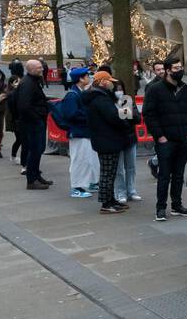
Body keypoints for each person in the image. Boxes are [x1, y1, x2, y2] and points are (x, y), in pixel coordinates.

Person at [143, 56, 187, 221]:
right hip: (166, 140)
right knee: (164, 175)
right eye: (175, 68)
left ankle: (177, 205)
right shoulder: (155, 89)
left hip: (183, 138)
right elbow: (149, 114)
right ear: (167, 70)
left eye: (180, 67)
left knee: (179, 175)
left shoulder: (184, 88)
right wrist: (160, 136)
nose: (179, 70)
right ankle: (161, 207)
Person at [81, 69, 130, 213]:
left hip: (105, 138)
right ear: (103, 82)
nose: (112, 85)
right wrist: (125, 117)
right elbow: (114, 117)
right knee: (108, 173)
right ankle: (106, 203)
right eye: (110, 81)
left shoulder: (98, 96)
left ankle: (110, 199)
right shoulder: (100, 98)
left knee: (109, 171)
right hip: (107, 139)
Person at [55, 68, 101, 197]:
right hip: (78, 132)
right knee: (80, 160)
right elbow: (71, 114)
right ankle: (77, 187)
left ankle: (91, 182)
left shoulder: (77, 93)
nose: (89, 78)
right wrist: (89, 116)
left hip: (83, 132)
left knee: (90, 159)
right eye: (87, 76)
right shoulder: (73, 95)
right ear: (81, 78)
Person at [15, 59, 52, 189]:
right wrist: (37, 118)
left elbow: (36, 100)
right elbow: (24, 106)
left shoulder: (33, 81)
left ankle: (36, 175)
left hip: (36, 120)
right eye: (39, 68)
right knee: (35, 150)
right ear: (30, 70)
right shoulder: (27, 83)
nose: (42, 69)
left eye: (41, 67)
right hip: (33, 123)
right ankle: (31, 180)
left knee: (39, 149)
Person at [110, 73, 142, 204]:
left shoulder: (127, 100)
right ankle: (120, 192)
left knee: (131, 167)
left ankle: (131, 190)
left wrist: (127, 112)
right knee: (119, 170)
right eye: (116, 89)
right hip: (117, 140)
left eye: (120, 89)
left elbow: (135, 118)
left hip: (130, 138)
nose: (119, 91)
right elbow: (116, 120)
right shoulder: (109, 102)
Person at [5, 61, 24, 166]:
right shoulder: (11, 94)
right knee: (20, 139)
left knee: (20, 139)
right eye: (16, 82)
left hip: (16, 119)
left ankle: (14, 156)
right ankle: (14, 156)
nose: (18, 83)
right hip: (15, 119)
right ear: (11, 83)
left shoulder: (17, 92)